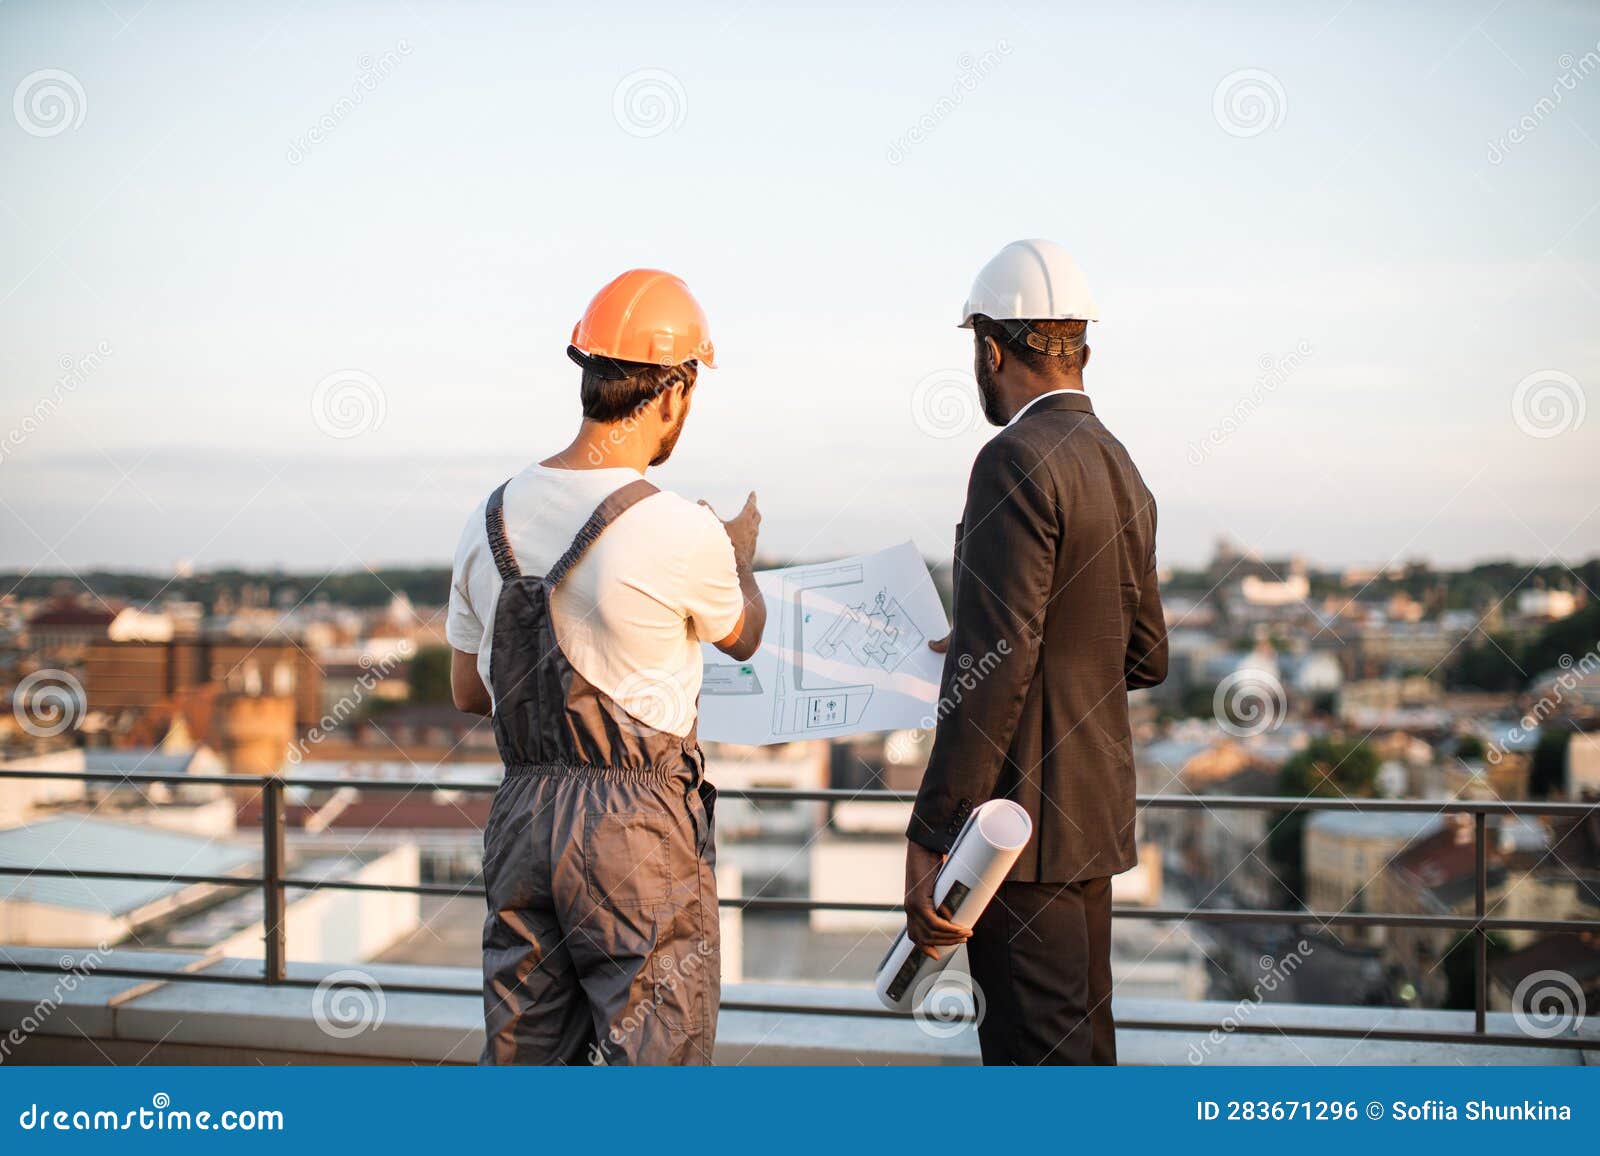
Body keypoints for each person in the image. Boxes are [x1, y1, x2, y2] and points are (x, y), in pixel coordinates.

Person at [447, 268, 765, 1065]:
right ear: (676, 390)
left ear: (588, 375)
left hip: (522, 818)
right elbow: (744, 637)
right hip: (635, 831)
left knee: (526, 1062)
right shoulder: (677, 527)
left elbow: (466, 691)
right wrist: (738, 555)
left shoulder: (487, 517)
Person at [902, 240, 1168, 1065]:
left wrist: (931, 836)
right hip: (1090, 826)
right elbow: (1146, 655)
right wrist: (1004, 640)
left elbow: (996, 676)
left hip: (1016, 842)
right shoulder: (1118, 464)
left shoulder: (1012, 460)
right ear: (1081, 345)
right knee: (1081, 1056)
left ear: (991, 349)